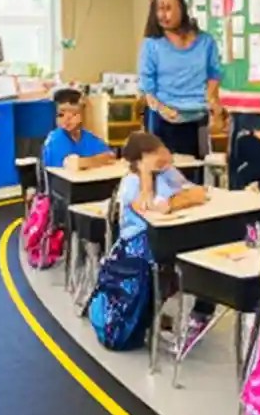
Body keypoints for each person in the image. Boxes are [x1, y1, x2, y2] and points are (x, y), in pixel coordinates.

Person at [87, 132, 206, 350]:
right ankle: (159, 311)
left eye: (160, 149)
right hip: (140, 244)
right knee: (180, 262)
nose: (161, 156)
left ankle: (196, 313)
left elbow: (196, 191)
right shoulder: (132, 183)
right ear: (138, 161)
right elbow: (150, 207)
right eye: (152, 154)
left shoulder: (166, 173)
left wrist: (176, 199)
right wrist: (146, 178)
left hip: (168, 234)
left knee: (205, 248)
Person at [138, 0, 222, 159]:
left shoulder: (205, 41)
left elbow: (214, 74)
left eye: (168, 8)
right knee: (165, 172)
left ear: (182, 10)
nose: (163, 14)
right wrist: (162, 109)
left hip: (198, 115)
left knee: (196, 170)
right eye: (158, 9)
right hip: (164, 116)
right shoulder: (151, 44)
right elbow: (147, 87)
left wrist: (211, 101)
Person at [41, 87, 116, 171]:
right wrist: (94, 161)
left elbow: (110, 157)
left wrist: (81, 163)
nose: (67, 119)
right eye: (61, 115)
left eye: (74, 114)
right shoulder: (55, 139)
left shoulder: (88, 137)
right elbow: (67, 167)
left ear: (82, 114)